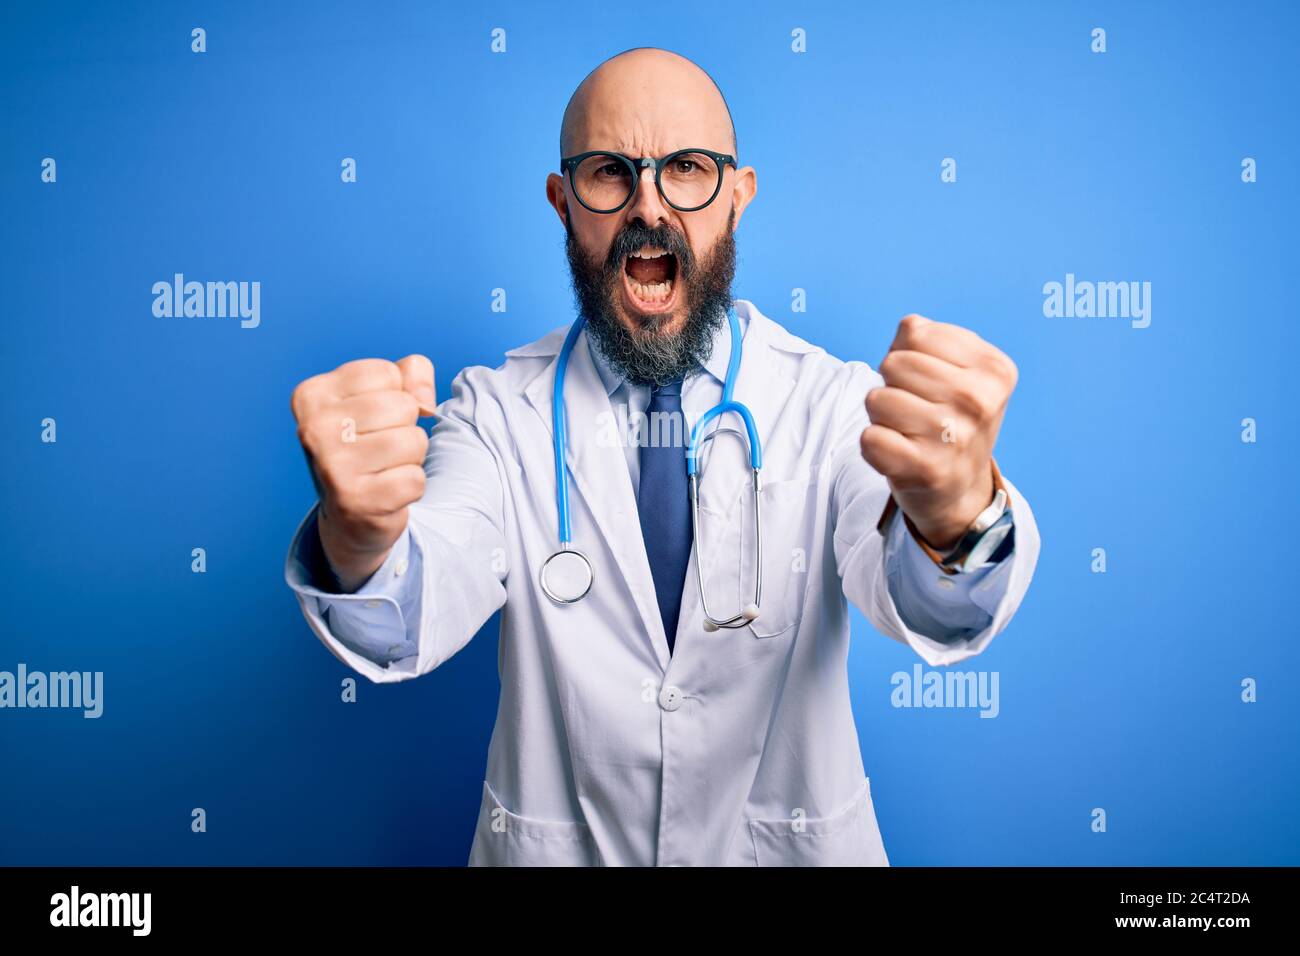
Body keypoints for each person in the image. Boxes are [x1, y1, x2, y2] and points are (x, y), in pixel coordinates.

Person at [285, 47, 1039, 866]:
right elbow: (412, 613)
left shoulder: (828, 404)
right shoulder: (497, 412)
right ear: (563, 203)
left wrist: (957, 520)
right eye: (610, 172)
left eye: (686, 168)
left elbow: (928, 607)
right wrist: (359, 542)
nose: (649, 207)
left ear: (739, 199)